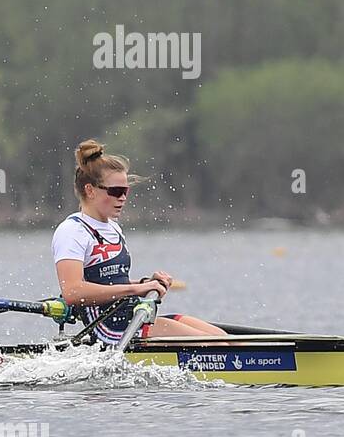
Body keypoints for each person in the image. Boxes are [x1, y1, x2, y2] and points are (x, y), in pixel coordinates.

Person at [52, 139, 225, 343]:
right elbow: (73, 292)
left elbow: (111, 282)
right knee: (217, 344)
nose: (123, 198)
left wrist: (145, 283)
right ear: (90, 190)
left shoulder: (112, 227)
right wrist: (137, 289)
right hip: (108, 331)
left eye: (126, 191)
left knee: (225, 339)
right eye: (116, 191)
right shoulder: (72, 231)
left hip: (132, 317)